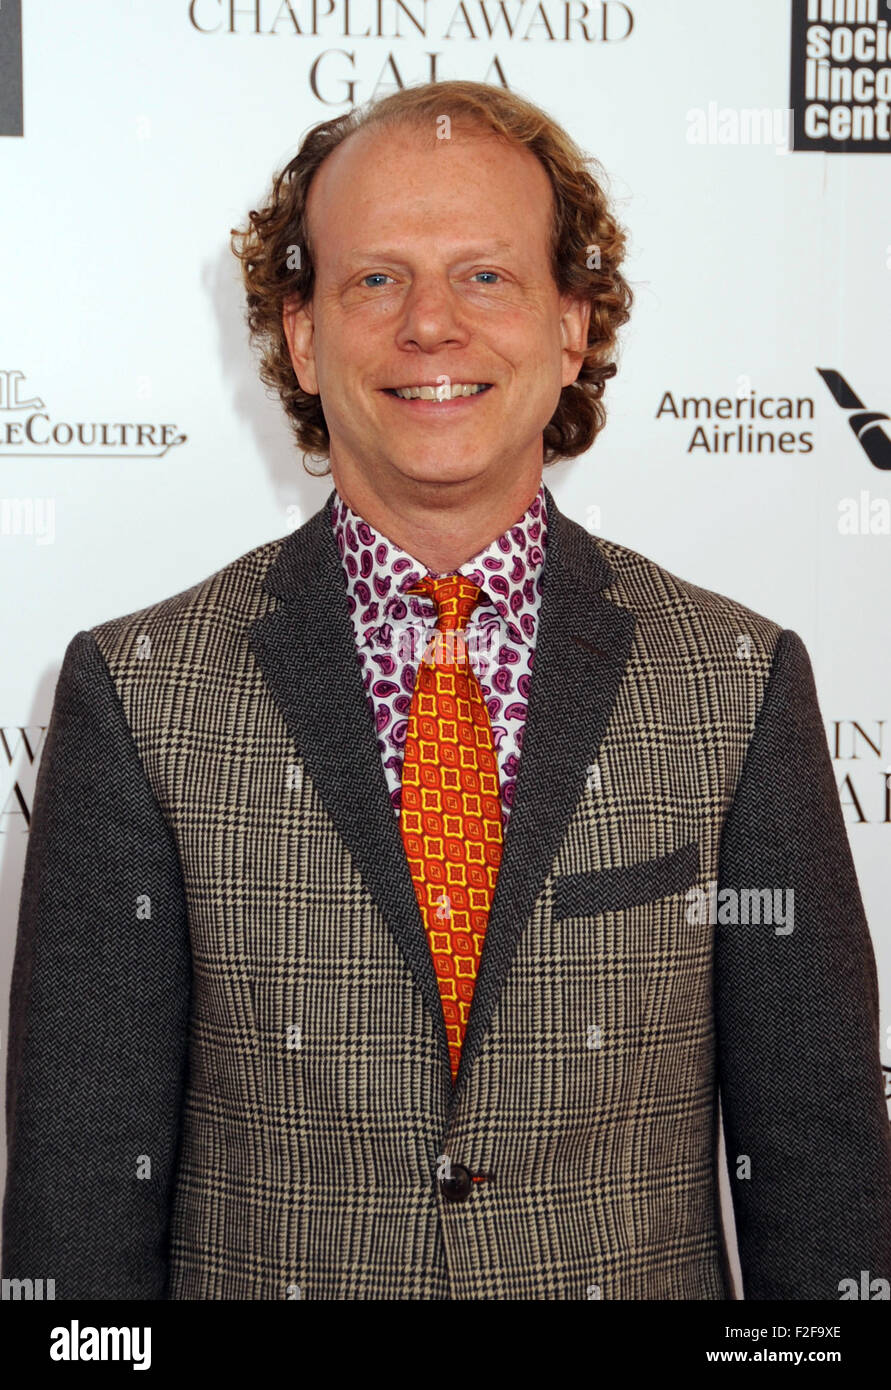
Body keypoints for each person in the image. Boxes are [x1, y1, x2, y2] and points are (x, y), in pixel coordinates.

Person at [4, 80, 890, 1301]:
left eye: (485, 275)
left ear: (571, 324)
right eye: (375, 279)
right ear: (303, 335)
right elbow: (80, 1196)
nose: (431, 324)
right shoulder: (138, 695)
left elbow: (817, 1167)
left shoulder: (735, 684)